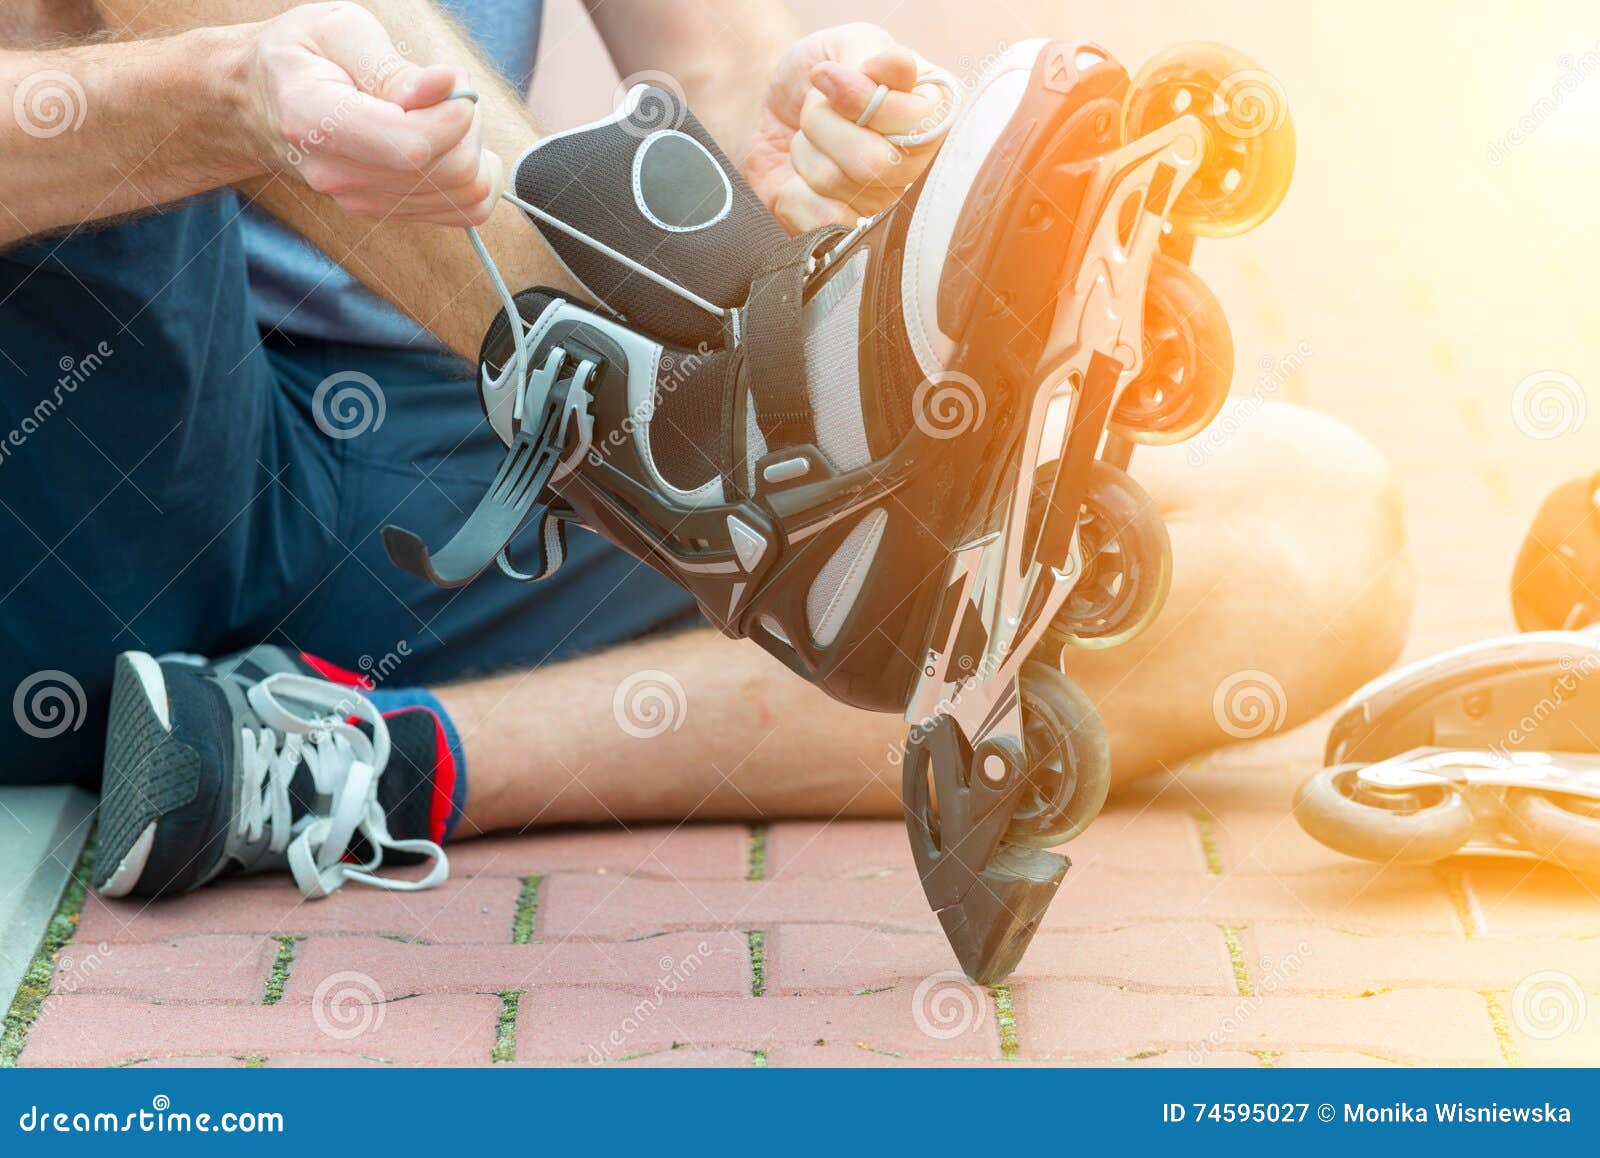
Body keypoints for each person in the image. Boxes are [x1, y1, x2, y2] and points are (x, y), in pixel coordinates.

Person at [0, 1, 1412, 900]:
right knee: (769, 448)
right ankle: (706, 432)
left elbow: (717, 56)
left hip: (425, 453)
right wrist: (212, 96)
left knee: (1309, 533)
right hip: (78, 434)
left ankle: (334, 759)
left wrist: (809, 126)